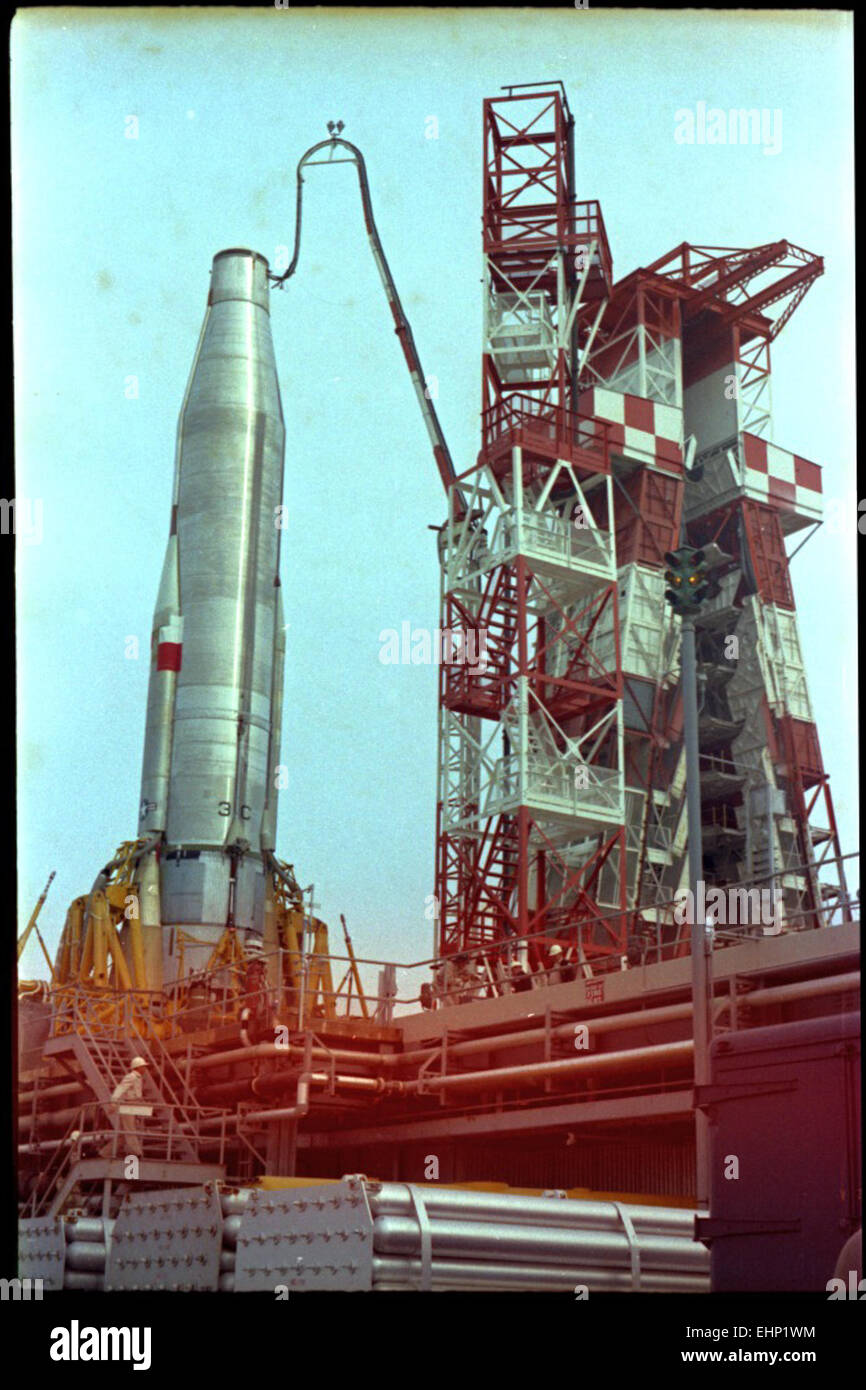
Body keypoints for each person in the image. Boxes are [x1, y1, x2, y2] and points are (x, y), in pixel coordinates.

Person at [100, 1056, 149, 1160]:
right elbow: (120, 1088)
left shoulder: (138, 1078)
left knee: (122, 1135)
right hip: (128, 1106)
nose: (145, 1068)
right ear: (138, 1067)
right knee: (130, 1129)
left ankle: (104, 1152)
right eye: (143, 1066)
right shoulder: (131, 1077)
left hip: (133, 1105)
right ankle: (136, 1152)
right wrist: (113, 1102)